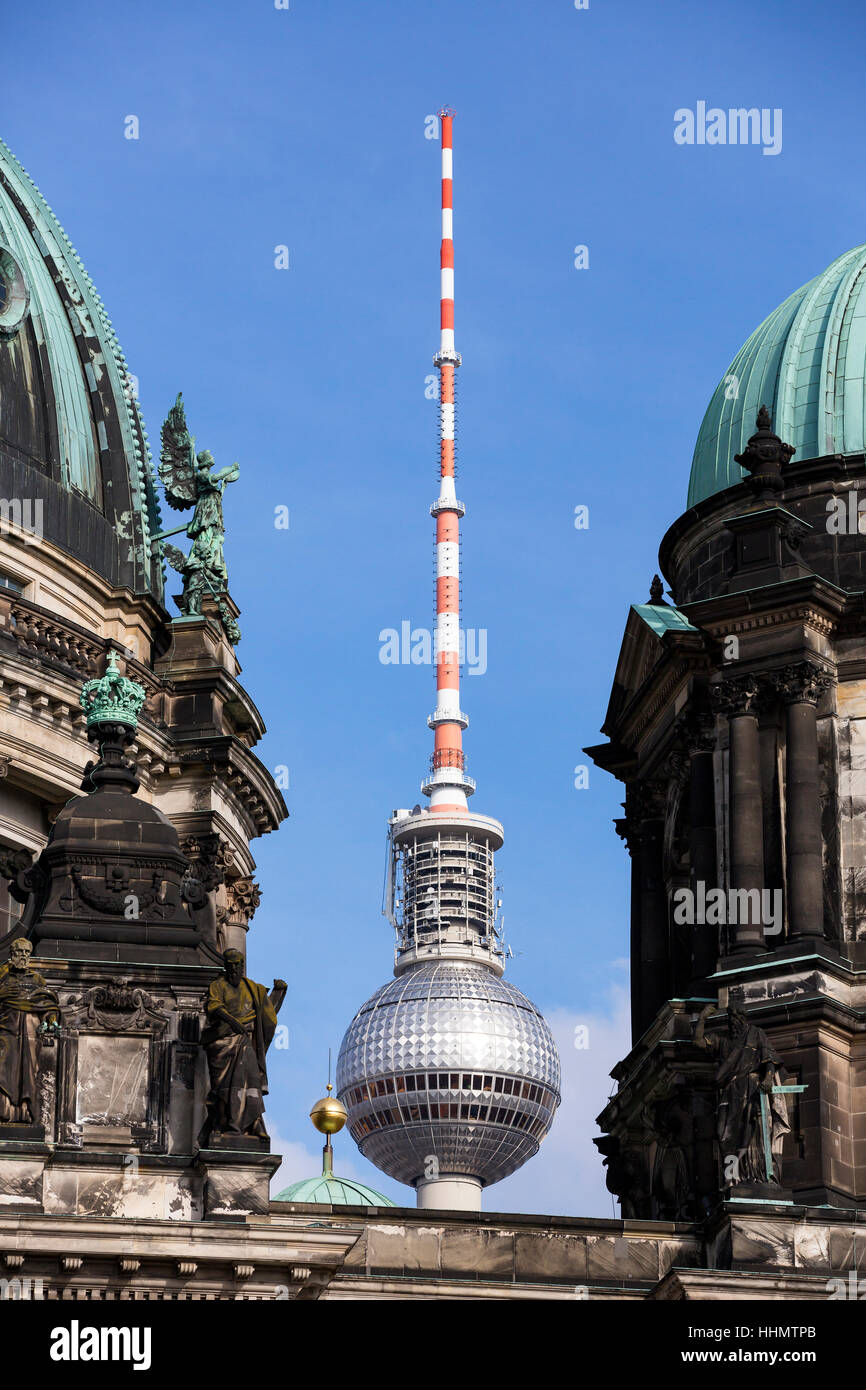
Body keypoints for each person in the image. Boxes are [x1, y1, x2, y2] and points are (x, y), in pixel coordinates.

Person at [201, 949, 286, 1141]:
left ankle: (254, 1123)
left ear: (242, 966)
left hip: (245, 1041)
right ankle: (223, 1124)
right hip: (222, 1043)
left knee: (251, 1082)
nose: (233, 969)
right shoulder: (218, 986)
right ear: (226, 966)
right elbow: (213, 1006)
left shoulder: (252, 988)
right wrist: (232, 1022)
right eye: (230, 965)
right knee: (222, 1088)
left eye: (237, 965)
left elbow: (266, 1016)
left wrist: (279, 993)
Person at [0, 938, 60, 1125]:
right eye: (20, 952)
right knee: (3, 1070)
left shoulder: (36, 979)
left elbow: (47, 1002)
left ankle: (25, 1113)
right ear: (12, 954)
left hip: (31, 1035)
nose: (24, 956)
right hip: (6, 1031)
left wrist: (51, 1019)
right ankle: (4, 1111)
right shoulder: (2, 975)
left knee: (29, 1074)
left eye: (27, 952)